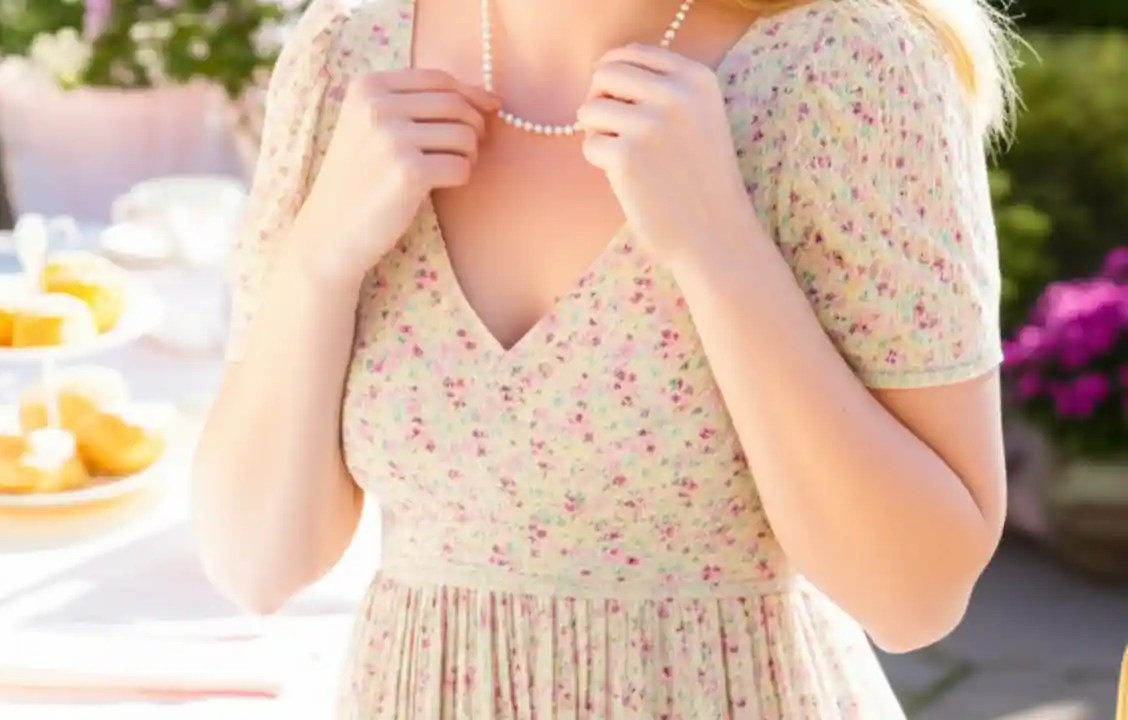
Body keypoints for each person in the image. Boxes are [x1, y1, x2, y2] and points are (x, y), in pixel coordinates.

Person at [192, 0, 1015, 715]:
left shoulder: (851, 65)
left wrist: (720, 250)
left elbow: (916, 597)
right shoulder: (351, 52)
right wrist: (318, 263)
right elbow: (255, 563)